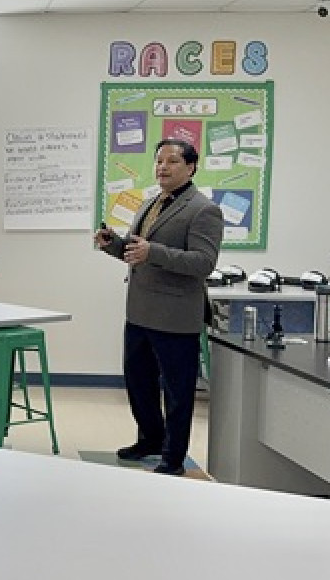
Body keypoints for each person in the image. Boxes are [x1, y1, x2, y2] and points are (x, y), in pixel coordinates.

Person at [94, 138, 222, 476]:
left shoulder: (203, 209)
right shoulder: (149, 204)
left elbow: (203, 263)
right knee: (139, 384)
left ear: (191, 167)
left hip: (175, 316)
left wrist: (154, 253)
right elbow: (138, 251)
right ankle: (150, 439)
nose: (162, 167)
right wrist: (114, 245)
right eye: (159, 161)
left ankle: (173, 458)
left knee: (177, 392)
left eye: (172, 161)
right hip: (139, 310)